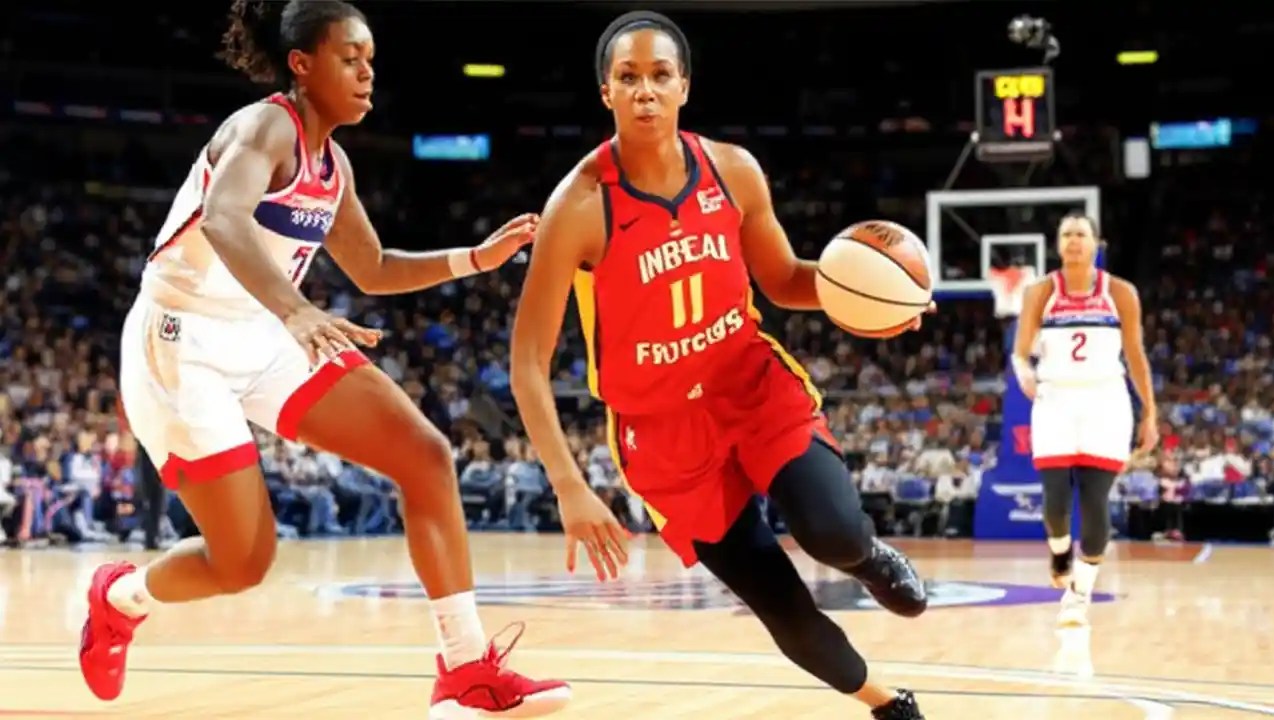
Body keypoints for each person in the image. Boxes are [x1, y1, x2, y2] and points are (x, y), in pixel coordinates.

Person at [78, 2, 571, 716]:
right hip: (182, 341)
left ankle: (465, 669)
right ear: (303, 66)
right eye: (350, 57)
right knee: (243, 562)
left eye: (371, 58)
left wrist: (473, 258)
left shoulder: (332, 164)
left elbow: (372, 267)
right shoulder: (263, 126)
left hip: (265, 332)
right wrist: (298, 311)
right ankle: (119, 599)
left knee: (424, 455)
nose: (367, 72)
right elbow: (222, 220)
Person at [510, 11, 928, 720]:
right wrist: (569, 486)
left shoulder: (732, 171)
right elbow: (527, 360)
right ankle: (890, 705)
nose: (645, 91)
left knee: (831, 532)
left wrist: (867, 301)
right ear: (605, 93)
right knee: (779, 603)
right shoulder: (578, 207)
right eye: (628, 77)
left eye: (660, 75)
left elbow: (787, 279)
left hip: (751, 387)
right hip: (662, 435)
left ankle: (868, 556)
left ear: (685, 86)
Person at [1012, 213, 1157, 627]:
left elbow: (1135, 355)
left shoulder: (1121, 293)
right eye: (1067, 235)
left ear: (1097, 243)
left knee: (1094, 500)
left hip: (1106, 401)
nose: (1074, 241)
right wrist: (1024, 374)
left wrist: (1150, 411)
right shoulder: (1041, 291)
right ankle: (1059, 551)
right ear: (1058, 245)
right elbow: (1021, 352)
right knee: (1055, 499)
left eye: (1081, 234)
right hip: (1055, 398)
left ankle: (1080, 595)